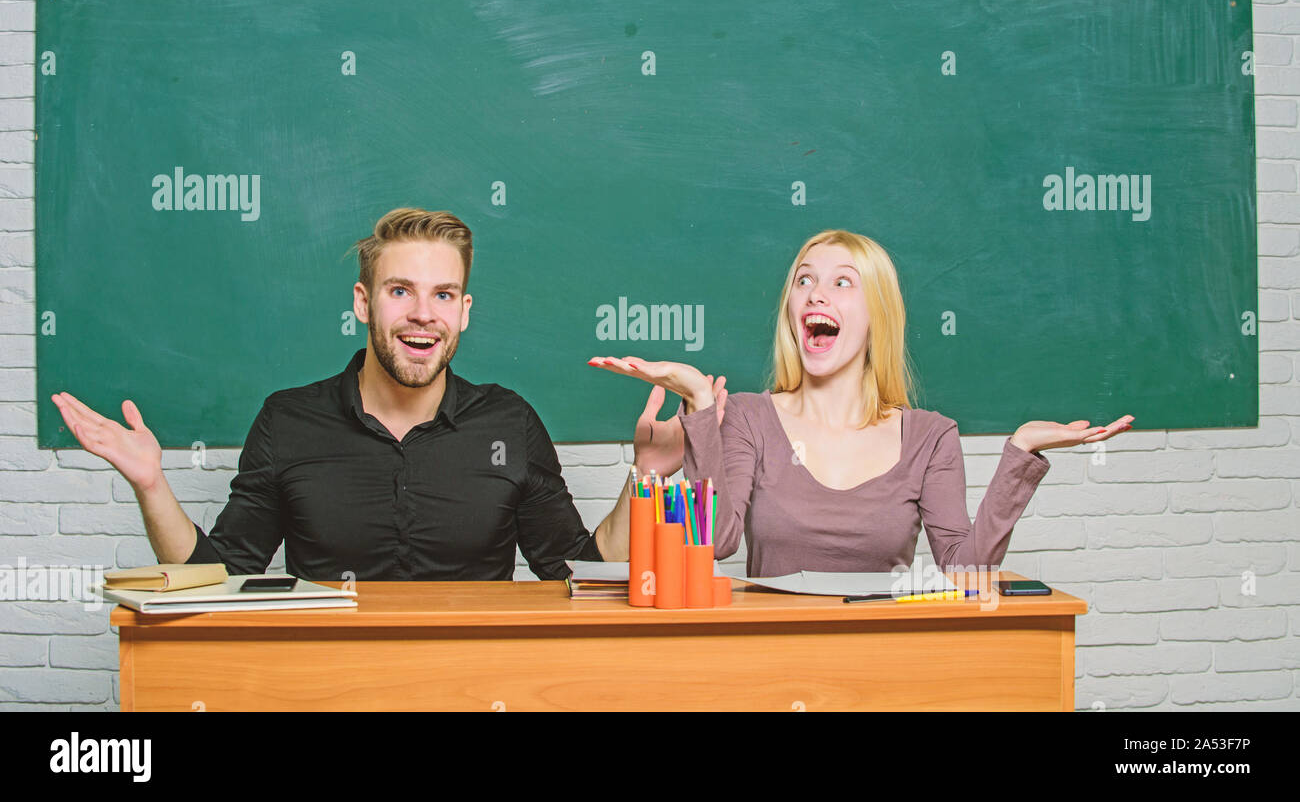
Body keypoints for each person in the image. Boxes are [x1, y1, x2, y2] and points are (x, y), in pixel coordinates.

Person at [50, 208, 700, 580]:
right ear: (364, 301)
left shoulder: (510, 422)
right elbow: (214, 579)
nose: (423, 314)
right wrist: (150, 485)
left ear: (464, 310)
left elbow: (580, 576)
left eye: (442, 295)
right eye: (400, 291)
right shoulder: (287, 421)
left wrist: (643, 480)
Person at [591, 229, 1133, 577]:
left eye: (841, 283)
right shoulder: (753, 418)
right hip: (770, 669)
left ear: (878, 316)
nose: (815, 294)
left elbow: (965, 574)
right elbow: (717, 545)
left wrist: (1021, 452)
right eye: (804, 281)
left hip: (884, 672)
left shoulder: (930, 436)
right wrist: (703, 405)